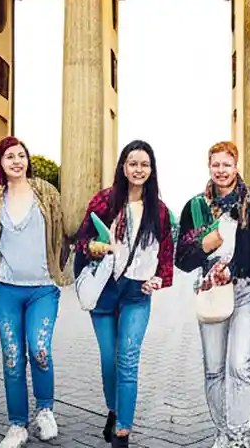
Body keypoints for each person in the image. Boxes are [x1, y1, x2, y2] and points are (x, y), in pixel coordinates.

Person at [74, 140, 175, 448]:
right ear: (123, 166)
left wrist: (159, 279)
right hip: (104, 291)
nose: (138, 169)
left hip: (135, 293)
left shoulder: (158, 210)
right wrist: (93, 247)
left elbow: (166, 255)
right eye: (133, 163)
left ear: (152, 169)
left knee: (127, 359)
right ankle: (114, 409)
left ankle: (123, 433)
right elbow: (82, 240)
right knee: (109, 360)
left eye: (145, 164)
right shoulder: (104, 201)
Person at [175, 141, 250, 448]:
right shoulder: (196, 207)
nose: (221, 170)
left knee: (240, 366)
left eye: (226, 164)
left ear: (236, 165)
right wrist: (209, 244)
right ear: (209, 166)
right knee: (214, 369)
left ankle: (237, 436)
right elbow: (182, 258)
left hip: (247, 291)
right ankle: (221, 431)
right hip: (211, 292)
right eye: (215, 164)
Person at [0, 136, 74, 448]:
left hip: (42, 289)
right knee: (12, 356)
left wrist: (64, 270)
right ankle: (17, 424)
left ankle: (45, 410)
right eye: (9, 157)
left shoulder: (46, 192)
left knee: (39, 350)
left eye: (21, 155)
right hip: (6, 289)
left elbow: (63, 232)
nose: (17, 161)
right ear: (0, 164)